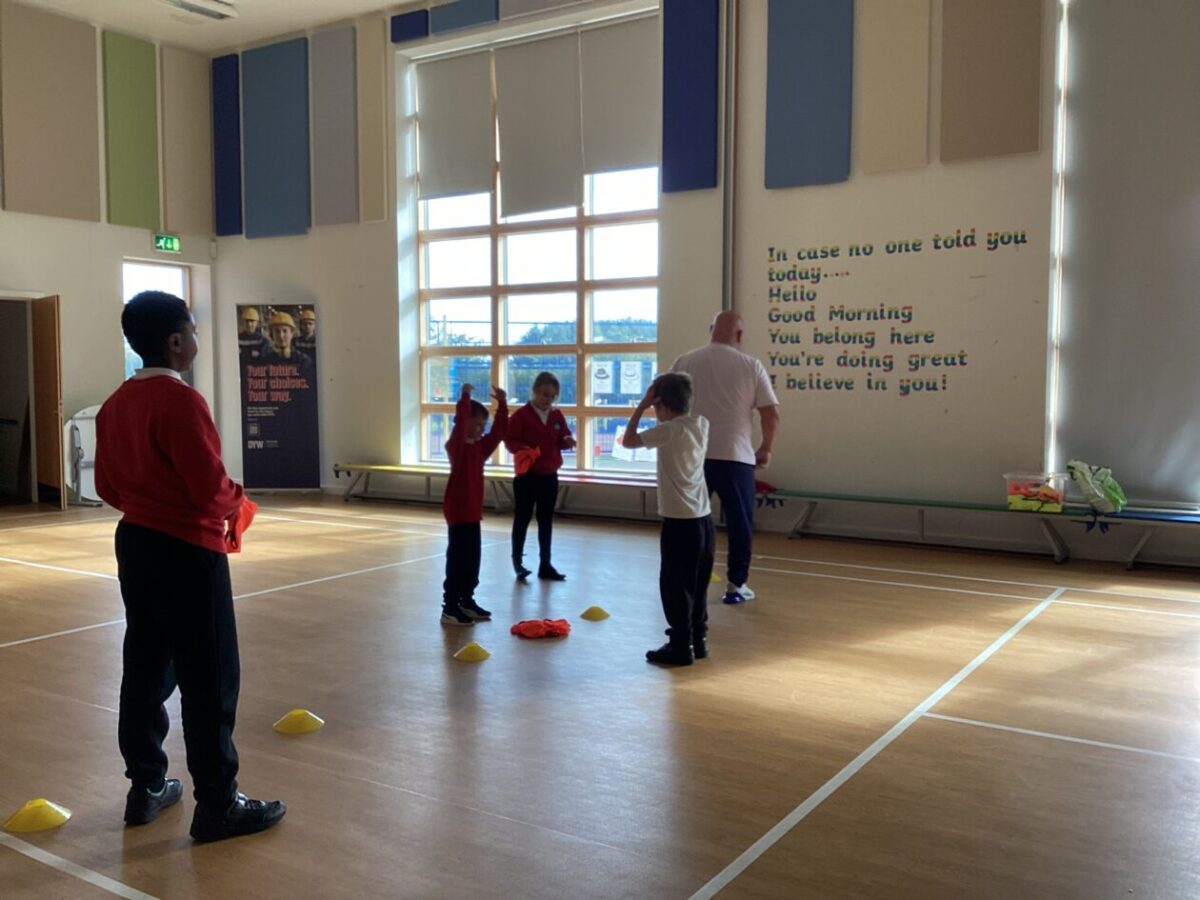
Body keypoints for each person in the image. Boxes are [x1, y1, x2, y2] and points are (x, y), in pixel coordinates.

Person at [94, 291, 285, 843]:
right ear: (177, 342)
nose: (198, 339)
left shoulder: (114, 405)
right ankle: (219, 805)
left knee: (147, 664)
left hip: (136, 544)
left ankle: (146, 785)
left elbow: (108, 486)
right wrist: (237, 500)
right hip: (187, 550)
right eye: (194, 330)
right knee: (210, 676)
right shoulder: (182, 403)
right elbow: (208, 489)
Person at [671, 310, 780, 605]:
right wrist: (765, 448)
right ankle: (735, 585)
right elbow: (771, 414)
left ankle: (688, 582)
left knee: (691, 521)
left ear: (711, 330)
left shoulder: (684, 361)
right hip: (736, 457)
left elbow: (666, 406)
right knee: (739, 524)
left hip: (693, 457)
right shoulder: (750, 365)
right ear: (740, 335)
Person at [623, 373, 713, 666]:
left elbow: (628, 441)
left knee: (675, 585)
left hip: (679, 521)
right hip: (703, 520)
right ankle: (697, 640)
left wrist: (642, 405)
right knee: (698, 584)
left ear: (660, 404)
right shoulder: (700, 424)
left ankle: (679, 646)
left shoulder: (669, 431)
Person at [442, 382, 508, 625]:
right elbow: (460, 426)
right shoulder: (456, 447)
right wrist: (465, 397)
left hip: (472, 514)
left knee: (472, 561)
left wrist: (502, 405)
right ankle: (449, 607)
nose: (481, 430)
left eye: (483, 425)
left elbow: (499, 432)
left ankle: (466, 600)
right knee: (457, 561)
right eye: (477, 424)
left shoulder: (480, 448)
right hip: (458, 513)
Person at [504, 372, 576, 581]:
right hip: (527, 476)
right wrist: (526, 449)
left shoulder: (556, 415)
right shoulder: (521, 416)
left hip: (549, 475)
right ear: (535, 392)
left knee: (546, 521)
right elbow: (509, 441)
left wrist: (567, 440)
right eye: (545, 395)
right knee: (522, 518)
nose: (548, 399)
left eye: (553, 396)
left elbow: (562, 436)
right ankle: (518, 562)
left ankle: (546, 564)